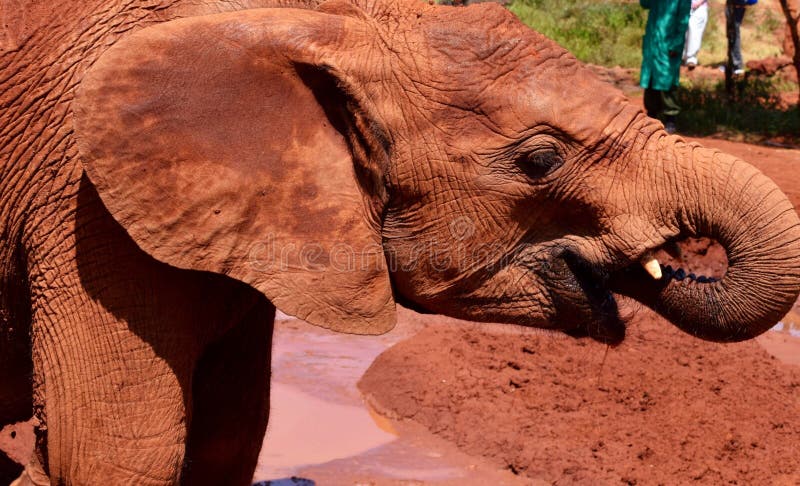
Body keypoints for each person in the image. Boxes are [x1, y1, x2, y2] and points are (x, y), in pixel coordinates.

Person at [640, 0, 692, 134]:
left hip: (668, 45)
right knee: (651, 79)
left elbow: (683, 21)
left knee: (667, 79)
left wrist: (676, 44)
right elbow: (645, 3)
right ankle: (651, 115)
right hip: (653, 42)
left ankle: (671, 118)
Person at [726, 0, 757, 76]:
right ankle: (732, 64)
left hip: (736, 7)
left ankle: (737, 65)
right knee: (731, 34)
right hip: (734, 6)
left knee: (734, 34)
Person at [683, 0, 709, 69]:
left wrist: (698, 2)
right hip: (684, 5)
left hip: (699, 7)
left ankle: (691, 59)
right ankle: (683, 56)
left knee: (694, 32)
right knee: (683, 30)